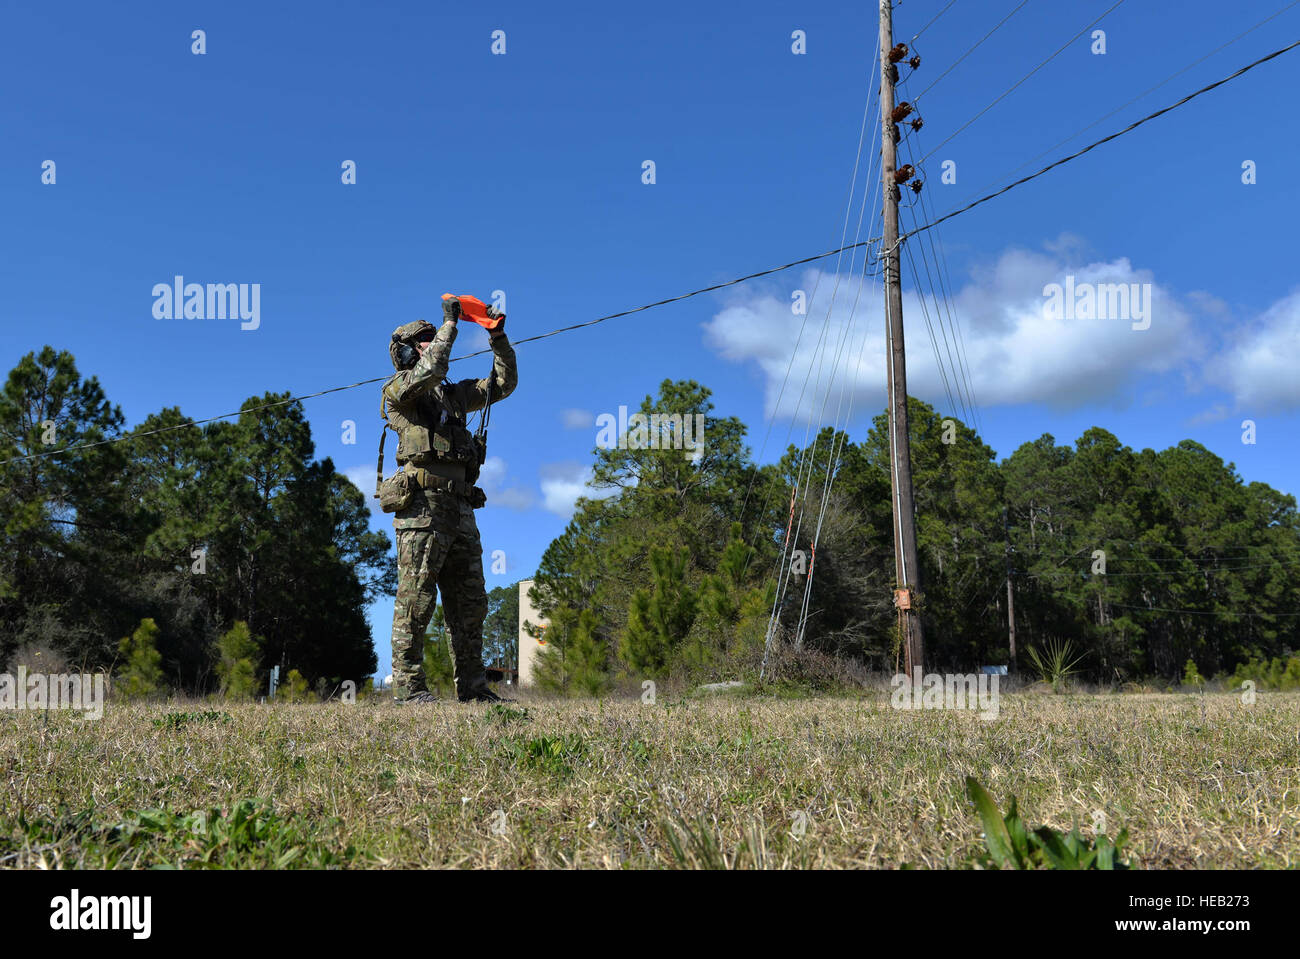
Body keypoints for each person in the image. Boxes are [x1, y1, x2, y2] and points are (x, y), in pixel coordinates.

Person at [383, 295, 517, 702]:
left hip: (460, 507)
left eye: (432, 336)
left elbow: (503, 384)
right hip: (421, 507)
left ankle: (474, 689)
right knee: (416, 598)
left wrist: (497, 337)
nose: (432, 342)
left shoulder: (454, 396)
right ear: (406, 352)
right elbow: (432, 367)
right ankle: (408, 688)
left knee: (470, 603)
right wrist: (450, 324)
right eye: (423, 339)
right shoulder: (400, 390)